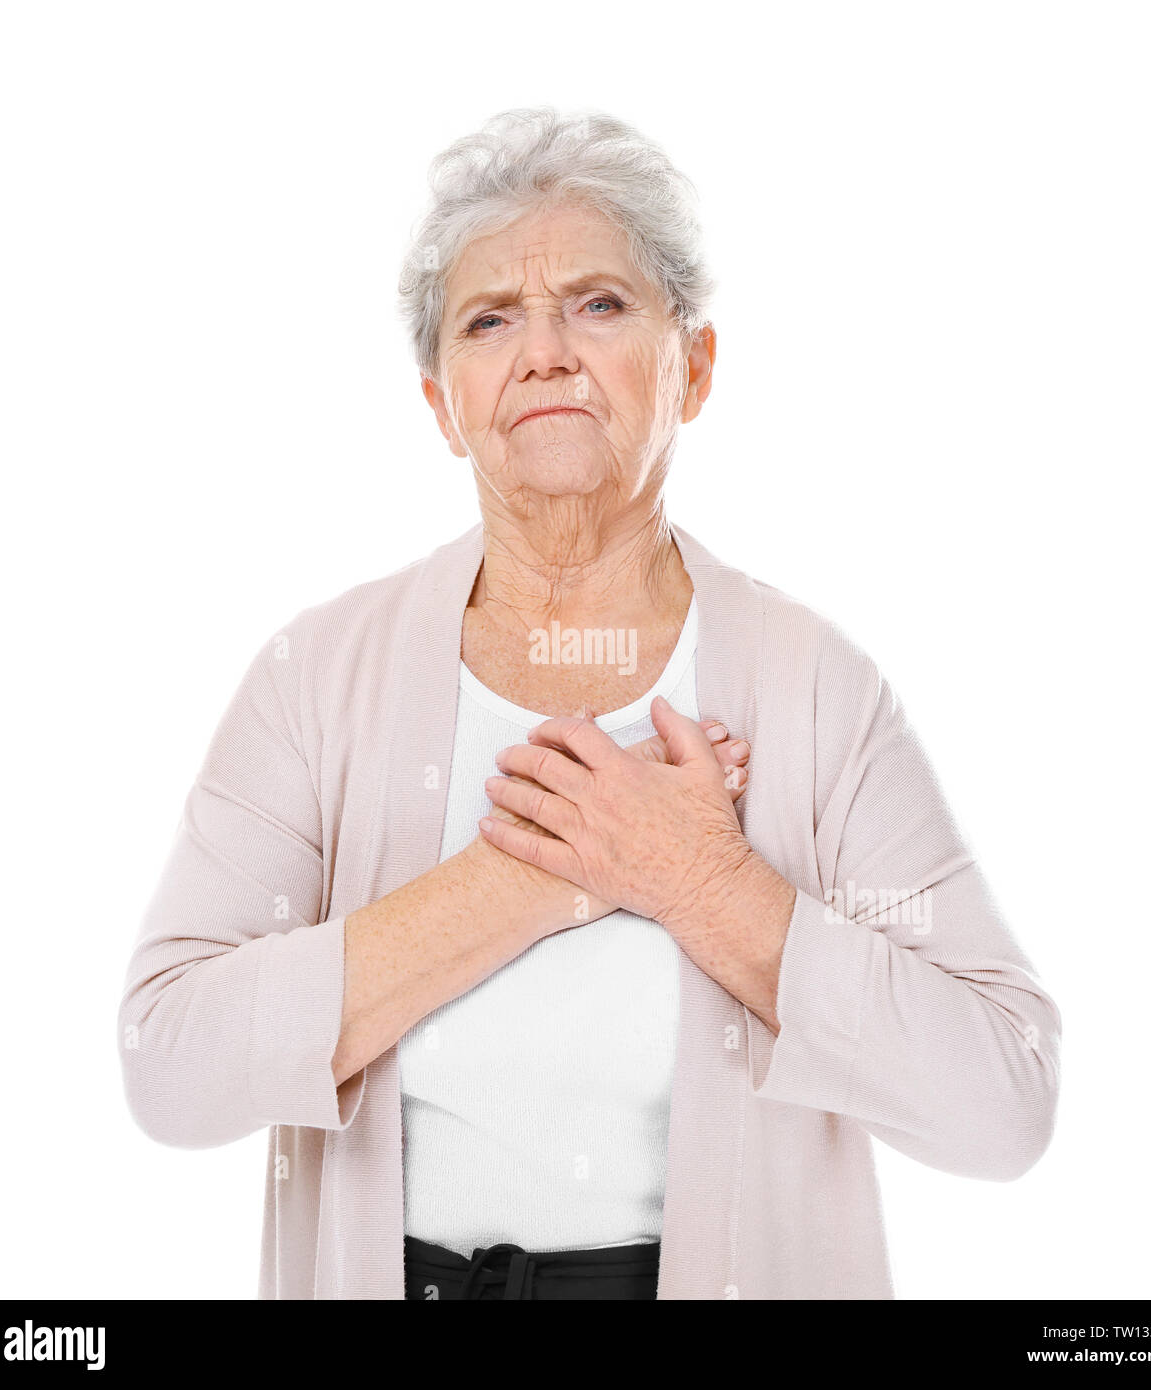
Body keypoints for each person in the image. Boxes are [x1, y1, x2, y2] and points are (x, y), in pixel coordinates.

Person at [118, 107, 1061, 1300]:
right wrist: (541, 873)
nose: (546, 352)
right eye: (490, 319)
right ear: (441, 399)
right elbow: (172, 1068)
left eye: (600, 304)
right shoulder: (319, 675)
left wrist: (705, 883)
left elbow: (1004, 1100)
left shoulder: (813, 684)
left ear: (696, 366)